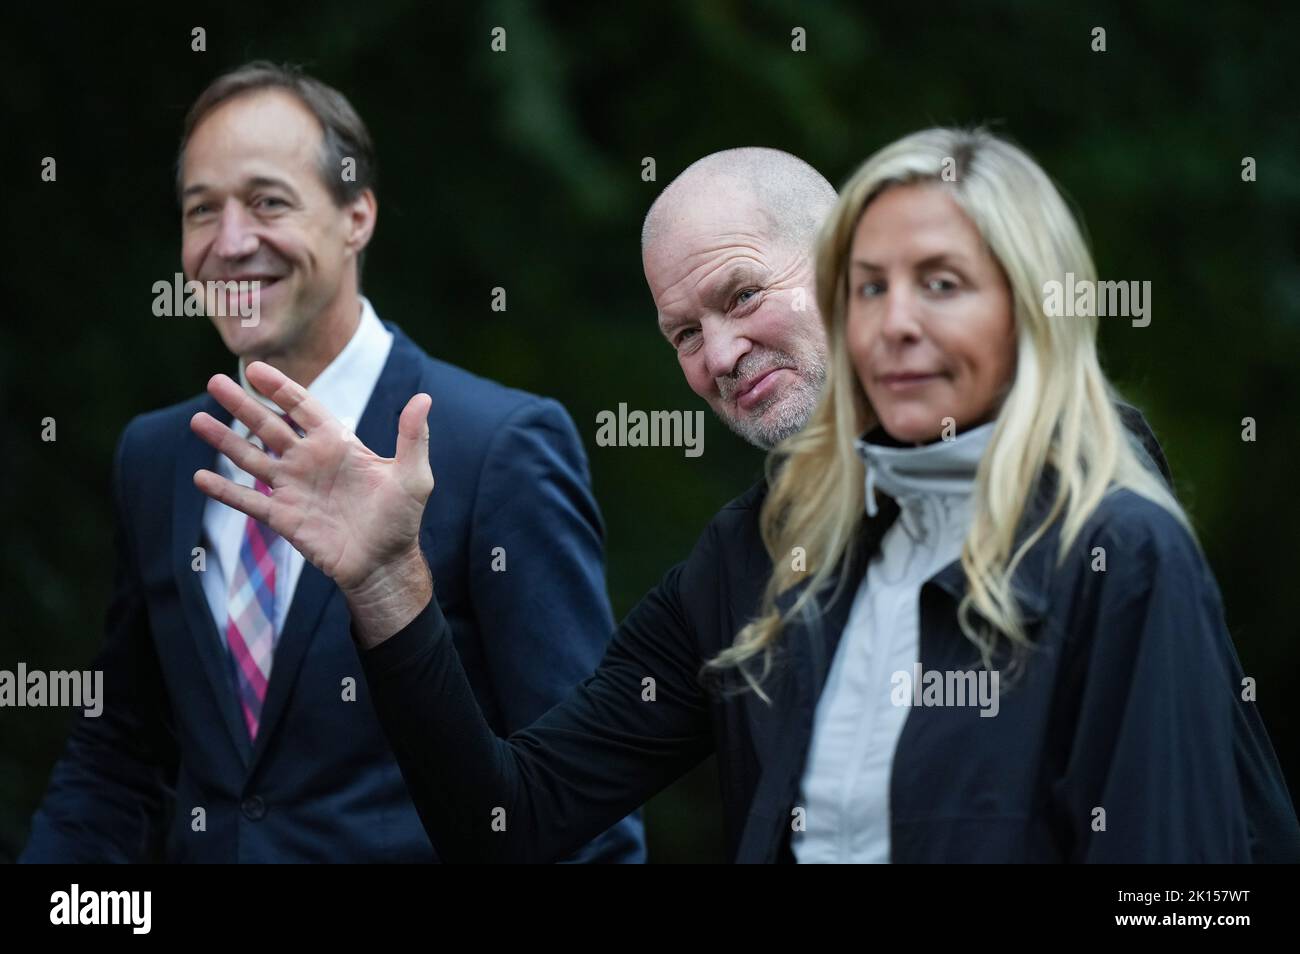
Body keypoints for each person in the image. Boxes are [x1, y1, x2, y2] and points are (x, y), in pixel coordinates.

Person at [189, 130, 1296, 862]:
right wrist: (387, 584)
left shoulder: (1104, 529)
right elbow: (509, 821)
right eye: (683, 332)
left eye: (739, 295)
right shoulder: (743, 566)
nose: (718, 353)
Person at [21, 61, 644, 864]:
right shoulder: (156, 457)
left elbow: (582, 806)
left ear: (357, 216)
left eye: (267, 201)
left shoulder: (498, 449)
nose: (230, 242)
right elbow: (121, 754)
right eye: (201, 210)